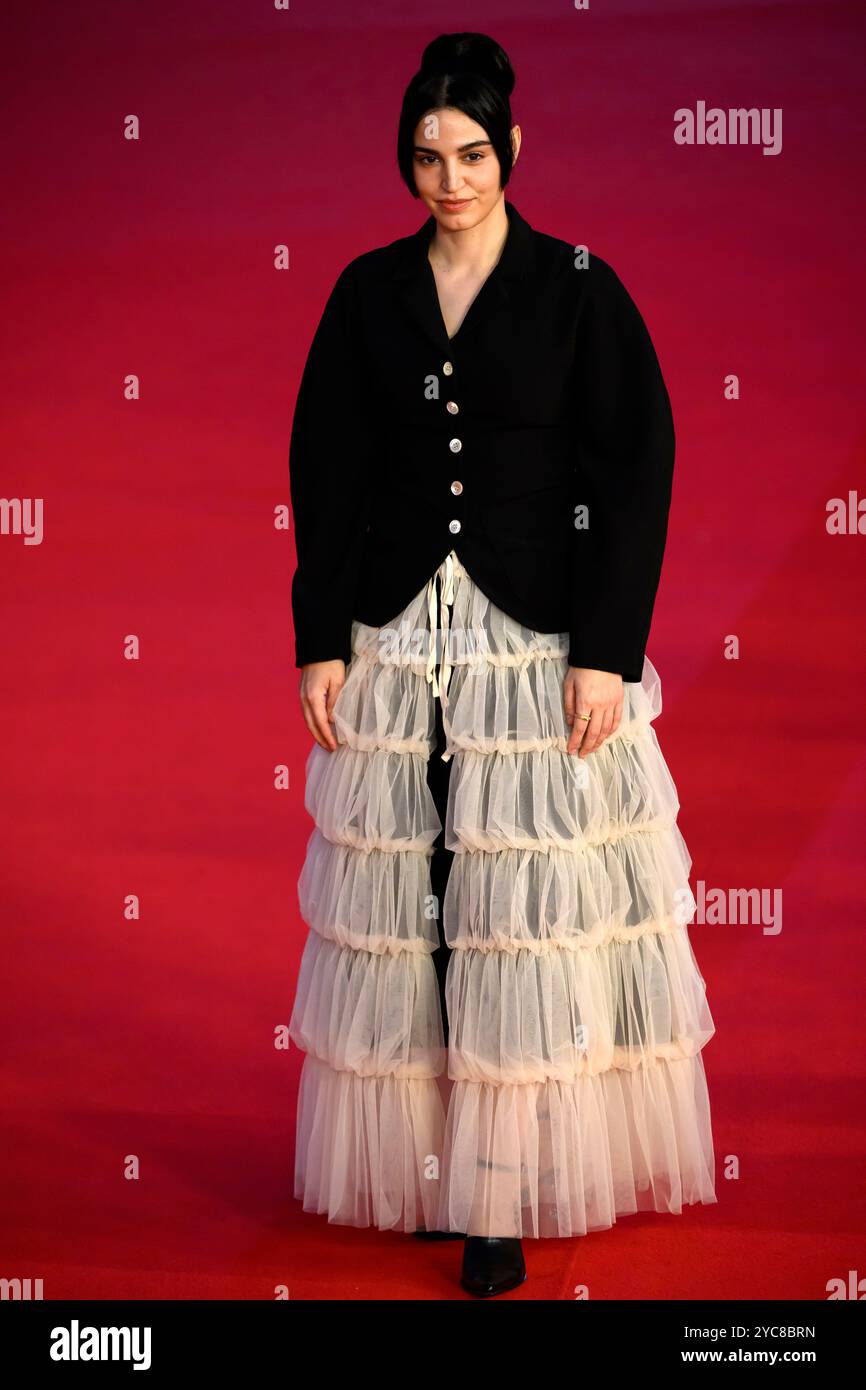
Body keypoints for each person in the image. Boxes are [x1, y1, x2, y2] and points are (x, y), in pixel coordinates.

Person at [287, 31, 717, 1299]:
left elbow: (632, 474)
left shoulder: (580, 288)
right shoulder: (366, 293)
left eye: (470, 153)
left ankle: (497, 1192)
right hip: (399, 638)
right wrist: (320, 638)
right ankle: (434, 1165)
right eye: (425, 157)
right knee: (417, 904)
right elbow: (328, 467)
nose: (448, 178)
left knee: (517, 918)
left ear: (513, 149)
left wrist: (605, 654)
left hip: (535, 645)